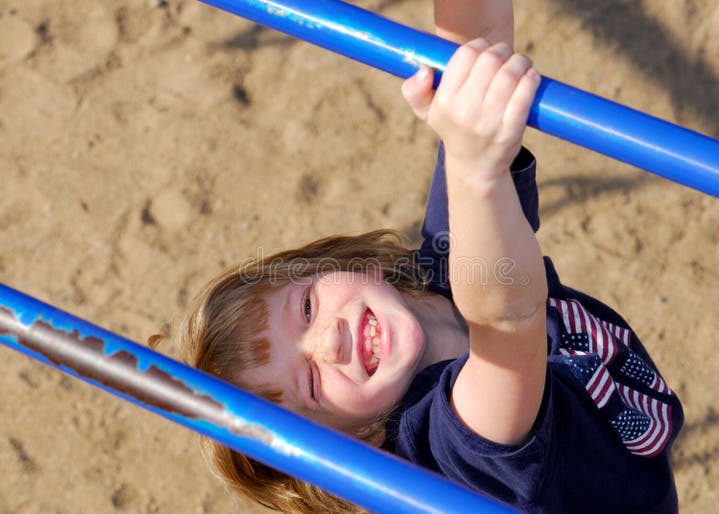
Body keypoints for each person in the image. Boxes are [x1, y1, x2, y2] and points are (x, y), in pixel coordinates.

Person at [158, 1, 684, 512]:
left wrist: (464, 119)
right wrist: (476, 170)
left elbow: (476, 52)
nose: (329, 341)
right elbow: (507, 319)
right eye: (312, 383)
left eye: (307, 309)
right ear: (361, 439)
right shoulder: (452, 445)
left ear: (341, 269)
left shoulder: (432, 272)